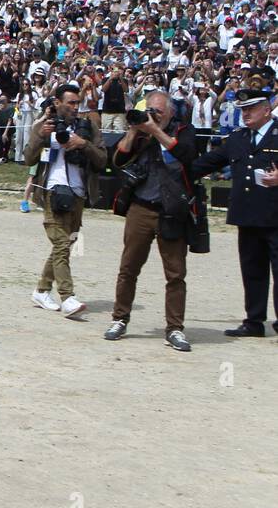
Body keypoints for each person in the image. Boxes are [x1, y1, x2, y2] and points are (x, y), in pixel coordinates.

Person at [104, 91, 199, 351]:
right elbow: (118, 159)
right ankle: (119, 319)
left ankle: (175, 328)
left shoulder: (184, 130)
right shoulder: (142, 133)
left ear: (170, 112)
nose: (153, 116)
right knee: (128, 267)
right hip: (141, 208)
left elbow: (187, 157)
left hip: (172, 210)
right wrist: (135, 130)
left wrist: (156, 131)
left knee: (175, 273)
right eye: (150, 111)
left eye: (158, 111)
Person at [192, 89, 278, 337]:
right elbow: (207, 162)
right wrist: (175, 167)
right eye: (243, 109)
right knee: (252, 269)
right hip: (248, 216)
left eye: (250, 108)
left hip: (275, 216)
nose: (246, 113)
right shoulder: (239, 138)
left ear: (266, 109)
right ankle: (254, 321)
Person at [25, 84, 106, 319]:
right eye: (70, 102)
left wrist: (83, 144)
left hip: (78, 193)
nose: (74, 107)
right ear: (57, 103)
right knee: (61, 244)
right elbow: (28, 158)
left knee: (66, 244)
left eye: (77, 103)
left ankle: (41, 290)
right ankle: (67, 297)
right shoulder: (44, 126)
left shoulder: (87, 127)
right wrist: (41, 136)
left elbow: (102, 159)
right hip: (51, 192)